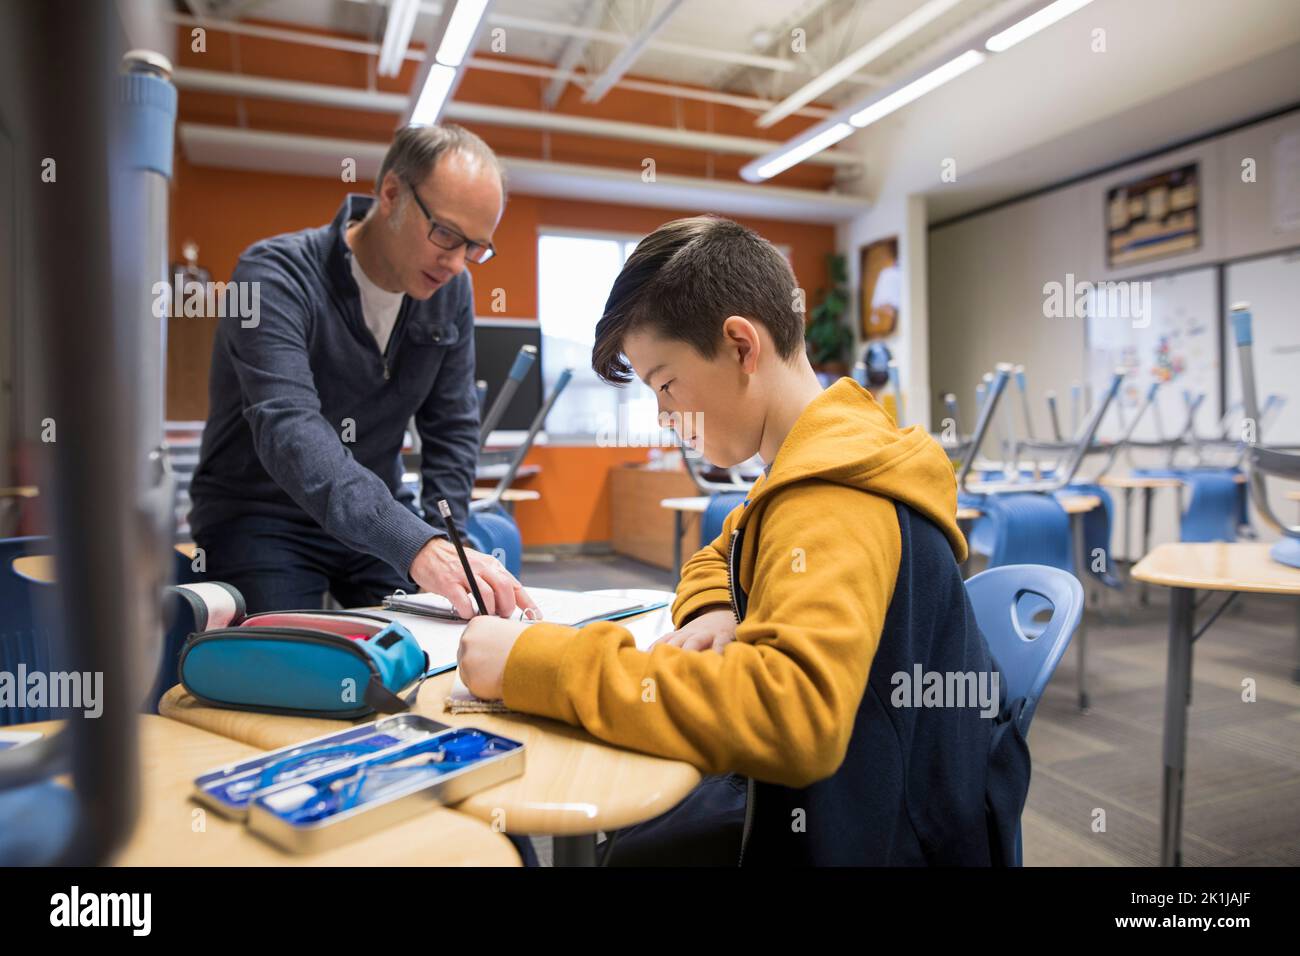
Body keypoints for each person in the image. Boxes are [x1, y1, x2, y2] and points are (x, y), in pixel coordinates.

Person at [457, 216, 1029, 865]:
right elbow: (724, 550)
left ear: (739, 345)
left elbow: (793, 716)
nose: (665, 416)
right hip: (874, 799)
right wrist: (716, 607)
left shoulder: (831, 498)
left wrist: (535, 663)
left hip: (877, 838)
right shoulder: (828, 449)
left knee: (631, 850)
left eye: (666, 383)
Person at [189, 124, 535, 619]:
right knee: (290, 670)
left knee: (448, 639)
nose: (457, 263)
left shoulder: (449, 292)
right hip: (262, 516)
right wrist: (414, 544)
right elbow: (290, 428)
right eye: (446, 235)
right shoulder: (275, 276)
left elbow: (452, 427)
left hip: (378, 513)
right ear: (391, 193)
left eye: (475, 248)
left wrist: (450, 542)